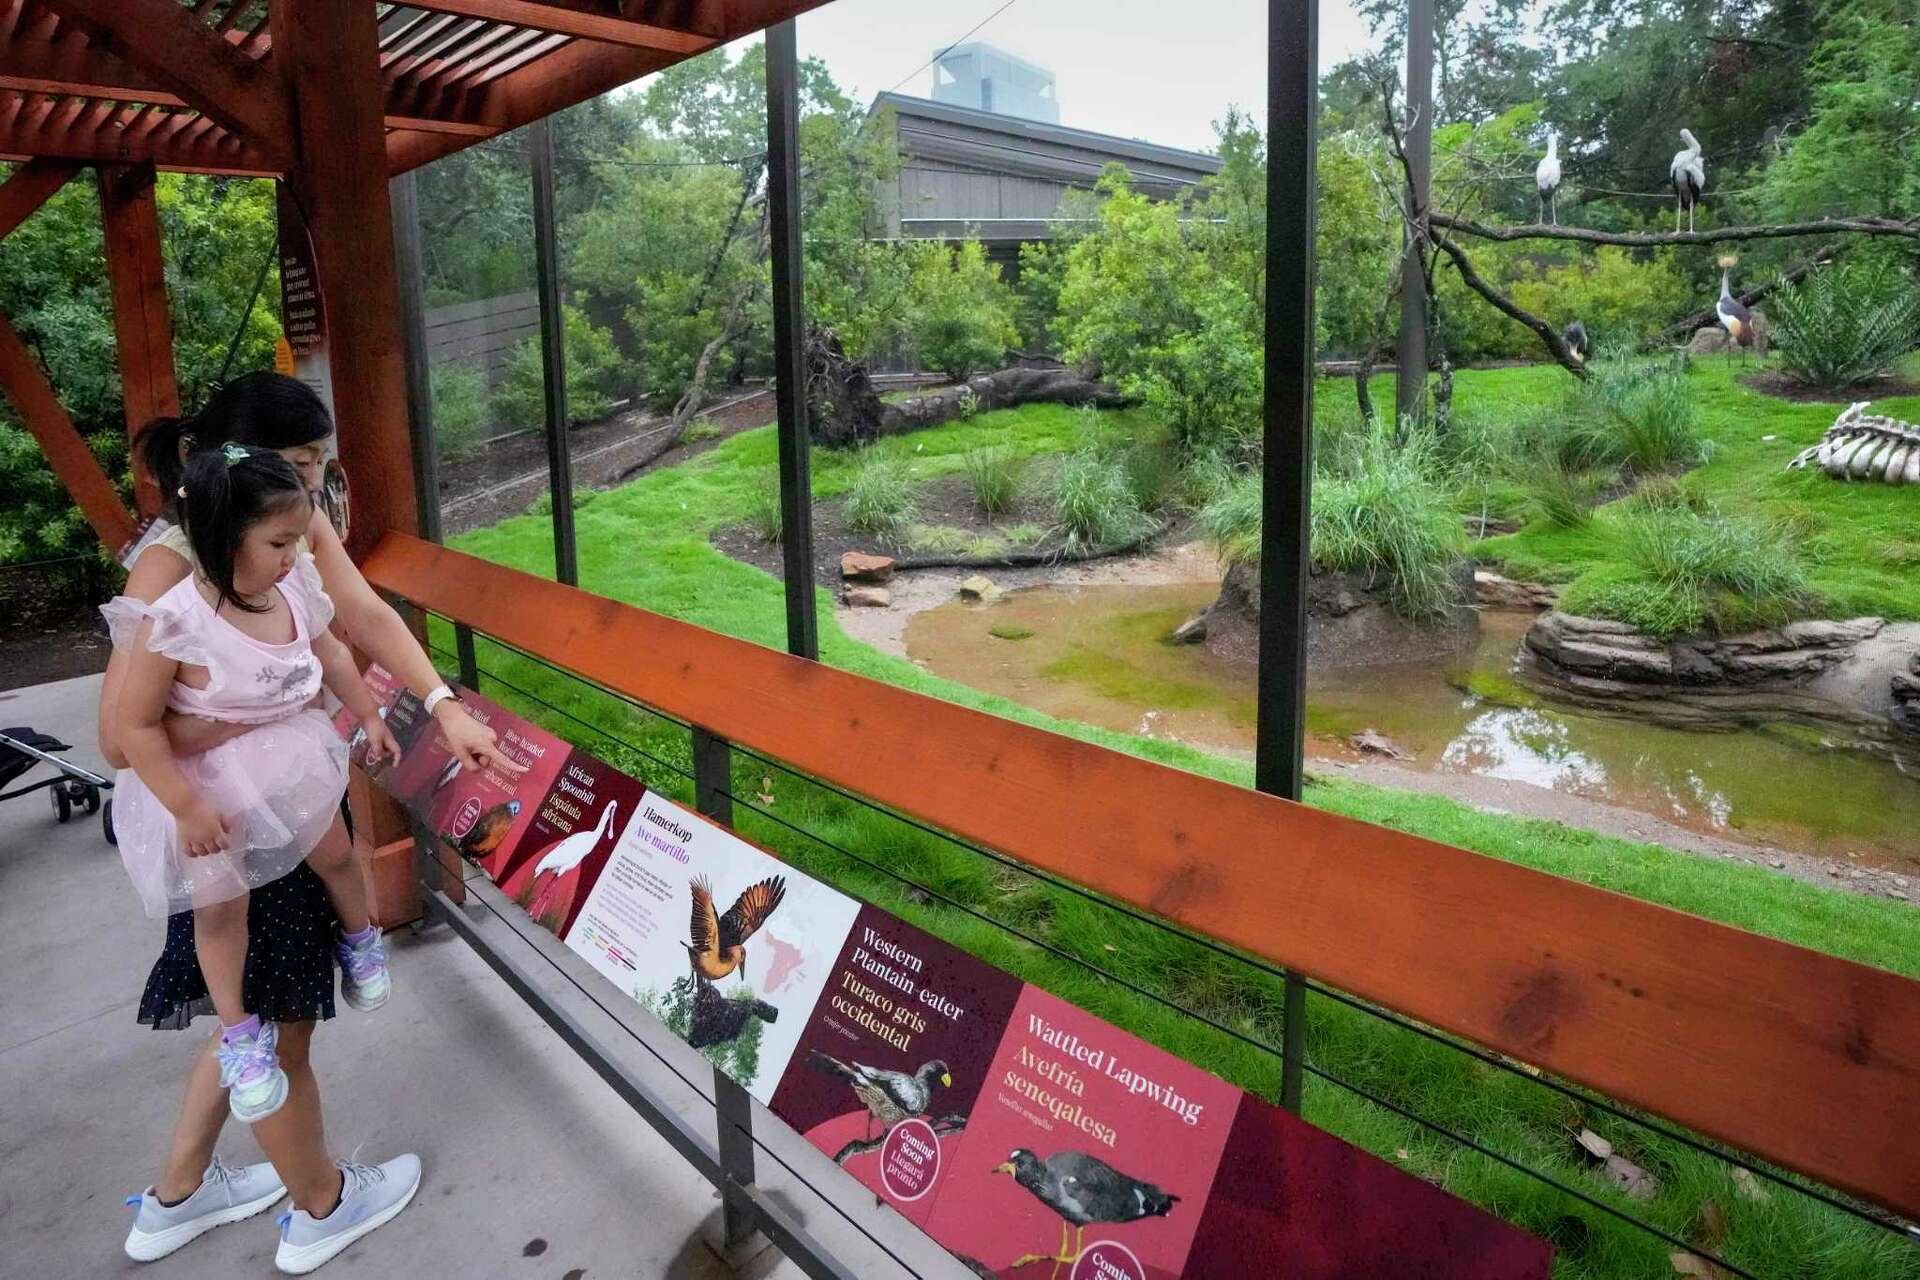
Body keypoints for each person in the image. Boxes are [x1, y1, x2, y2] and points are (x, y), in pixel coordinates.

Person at [107, 374, 496, 1273]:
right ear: (223, 472)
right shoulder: (173, 567)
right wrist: (266, 711)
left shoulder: (283, 522)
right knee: (276, 1024)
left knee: (250, 1023)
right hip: (227, 822)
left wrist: (437, 704)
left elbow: (353, 616)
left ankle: (177, 1197)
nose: (314, 495)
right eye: (300, 467)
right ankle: (321, 1204)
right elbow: (121, 738)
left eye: (320, 468)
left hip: (293, 800)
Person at [105, 444, 404, 1127]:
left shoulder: (291, 588)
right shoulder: (175, 621)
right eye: (278, 542)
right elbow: (135, 726)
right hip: (205, 790)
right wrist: (184, 807)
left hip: (288, 758)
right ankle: (242, 1038)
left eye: (298, 540)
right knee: (221, 910)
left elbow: (329, 651)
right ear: (221, 535)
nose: (294, 555)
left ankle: (361, 938)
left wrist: (365, 712)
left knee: (334, 853)